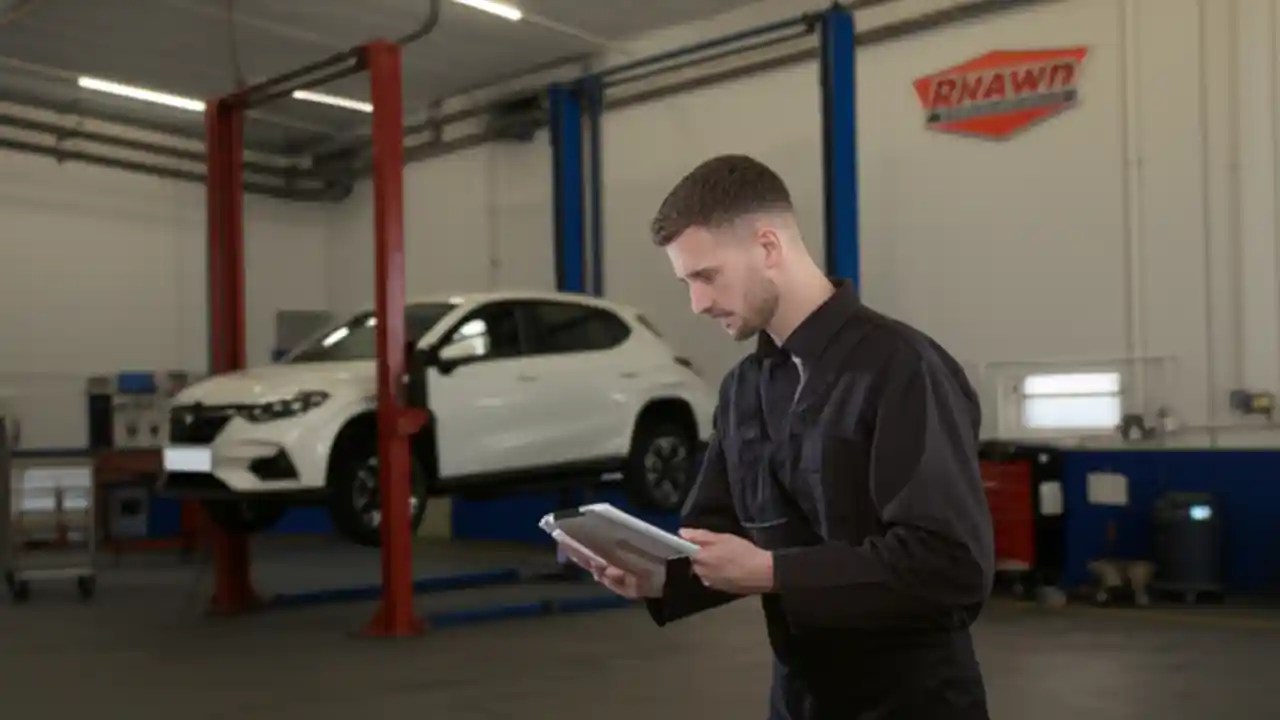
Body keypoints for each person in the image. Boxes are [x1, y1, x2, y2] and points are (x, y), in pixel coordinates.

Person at [557, 154, 995, 719]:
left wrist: (772, 571)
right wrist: (653, 574)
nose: (697, 303)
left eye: (705, 276)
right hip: (799, 700)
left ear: (767, 246)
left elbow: (950, 567)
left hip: (912, 703)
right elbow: (716, 537)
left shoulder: (901, 368)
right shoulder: (744, 390)